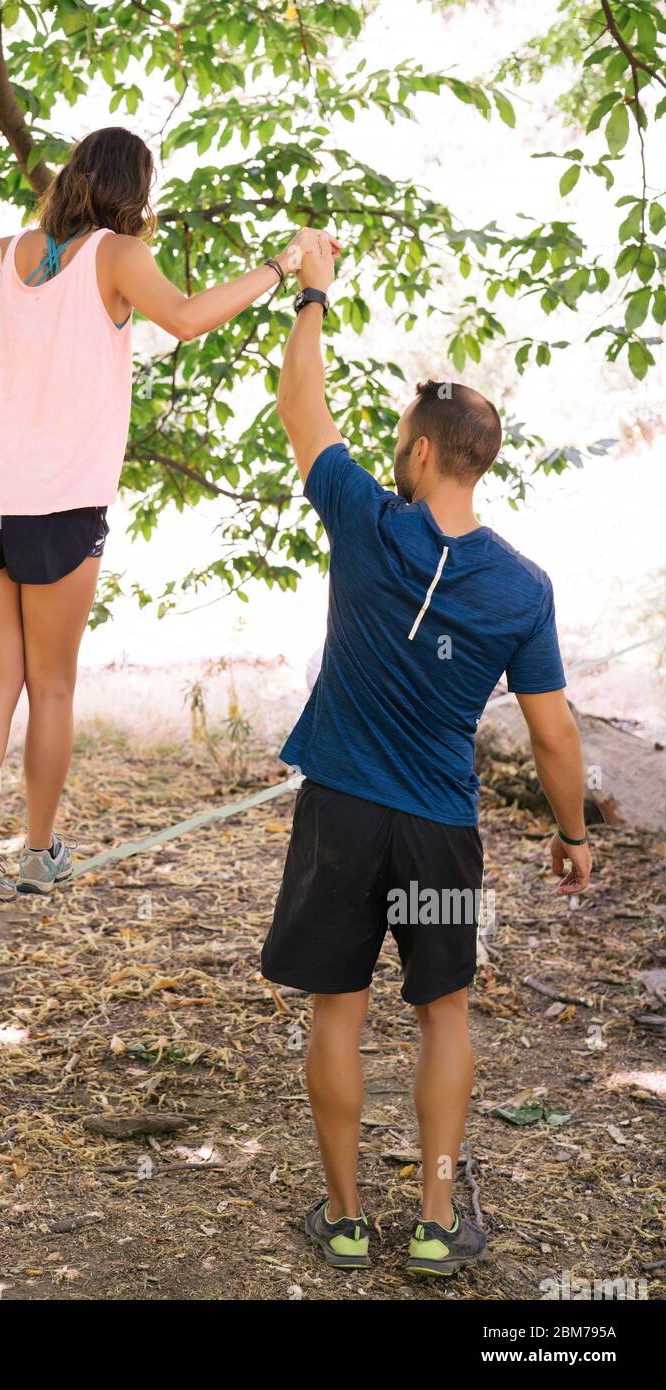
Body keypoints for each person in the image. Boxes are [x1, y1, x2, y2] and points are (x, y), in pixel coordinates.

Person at [262, 232, 593, 1277]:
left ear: (415, 455)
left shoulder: (363, 519)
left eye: (399, 436)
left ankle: (348, 1218)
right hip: (442, 836)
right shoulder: (521, 586)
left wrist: (311, 292)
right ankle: (439, 1223)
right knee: (442, 1011)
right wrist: (572, 833)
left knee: (339, 1008)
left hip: (339, 822)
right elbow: (550, 730)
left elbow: (297, 406)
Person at [0, 126, 319, 900]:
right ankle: (38, 853)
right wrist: (282, 266)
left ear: (71, 177)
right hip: (55, 507)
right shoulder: (119, 256)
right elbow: (188, 320)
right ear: (134, 189)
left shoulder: (11, 249)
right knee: (51, 687)